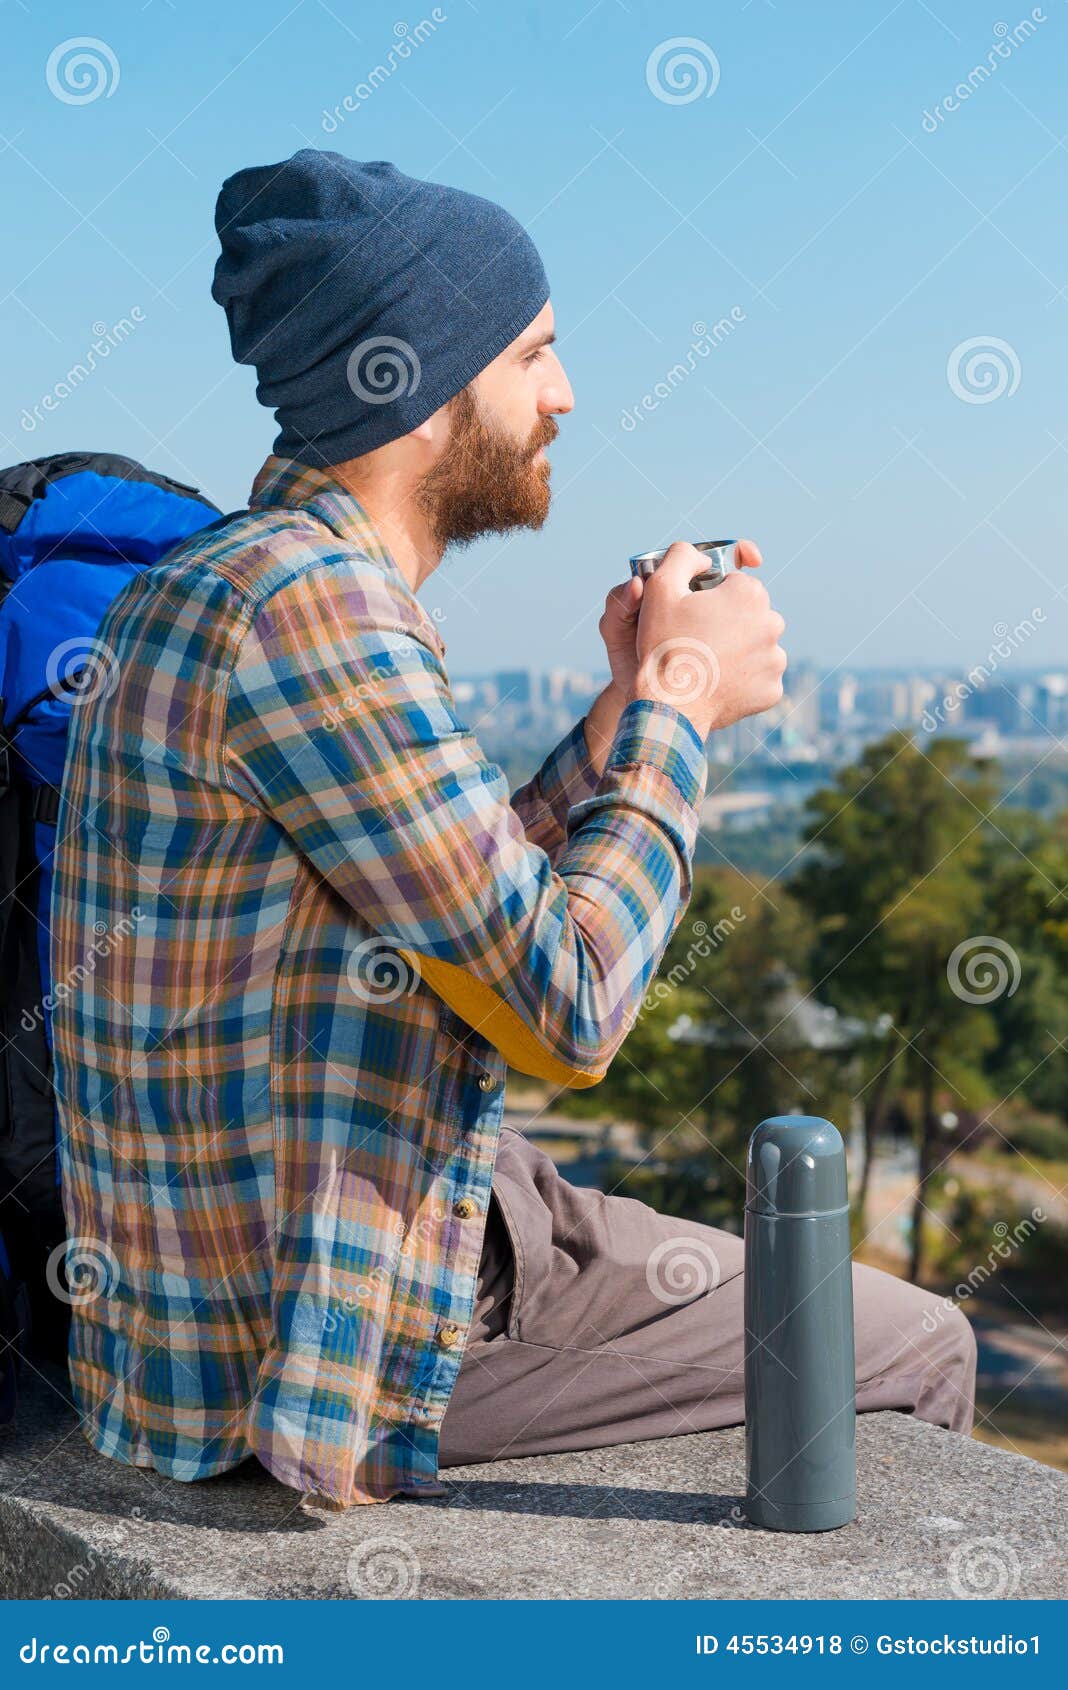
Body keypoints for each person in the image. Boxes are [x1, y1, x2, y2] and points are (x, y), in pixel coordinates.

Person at [48, 149, 975, 1511]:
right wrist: (681, 702)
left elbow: (452, 893)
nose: (565, 395)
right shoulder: (313, 611)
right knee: (919, 1338)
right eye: (534, 353)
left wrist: (611, 721)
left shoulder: (226, 585)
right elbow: (567, 1005)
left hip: (446, 1202)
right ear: (418, 385)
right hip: (354, 1337)